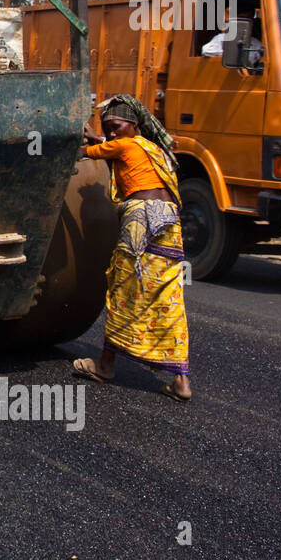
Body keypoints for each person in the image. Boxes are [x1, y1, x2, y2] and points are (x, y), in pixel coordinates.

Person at [74, 95, 192, 401]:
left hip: (141, 218)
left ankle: (105, 365)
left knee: (123, 287)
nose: (112, 132)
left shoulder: (125, 145)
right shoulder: (154, 150)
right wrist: (100, 136)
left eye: (116, 126)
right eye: (108, 128)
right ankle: (181, 381)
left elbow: (90, 152)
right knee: (168, 295)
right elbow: (113, 146)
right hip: (171, 223)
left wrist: (80, 140)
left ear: (134, 125)